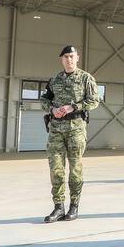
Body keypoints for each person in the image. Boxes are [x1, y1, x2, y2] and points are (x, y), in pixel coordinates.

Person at [42, 45, 99, 222]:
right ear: (62, 59)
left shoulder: (86, 78)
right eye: (66, 57)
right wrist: (52, 109)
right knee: (56, 169)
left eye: (72, 56)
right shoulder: (54, 80)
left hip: (76, 129)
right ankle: (58, 207)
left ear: (77, 58)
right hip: (56, 129)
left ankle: (74, 206)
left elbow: (94, 101)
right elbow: (44, 99)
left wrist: (73, 107)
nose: (69, 59)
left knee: (75, 169)